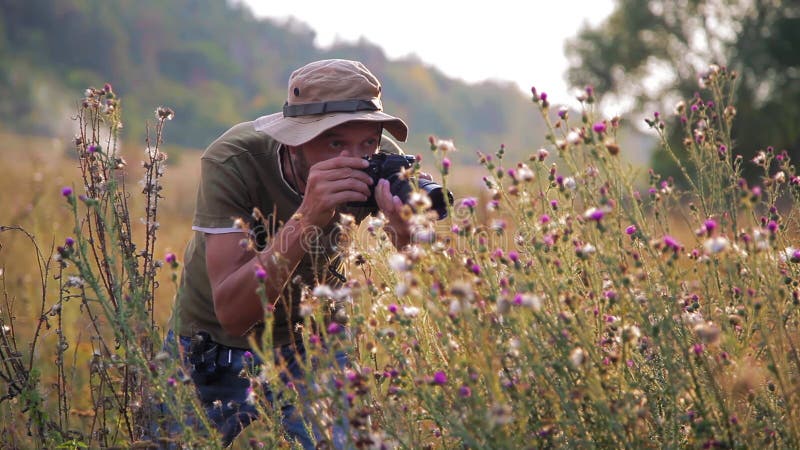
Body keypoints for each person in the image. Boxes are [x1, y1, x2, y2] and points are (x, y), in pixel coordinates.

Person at [163, 59, 419, 448]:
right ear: (294, 139)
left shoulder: (379, 160)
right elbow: (233, 315)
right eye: (336, 143)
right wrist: (308, 216)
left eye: (368, 142)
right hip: (213, 346)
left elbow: (417, 275)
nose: (356, 158)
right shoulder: (234, 161)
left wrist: (405, 234)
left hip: (314, 340)